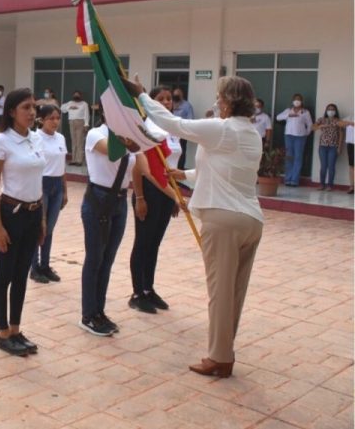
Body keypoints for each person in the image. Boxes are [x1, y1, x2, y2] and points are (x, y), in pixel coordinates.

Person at [126, 74, 263, 378]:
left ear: (228, 101)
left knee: (220, 290)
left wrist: (142, 96)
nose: (217, 101)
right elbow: (221, 169)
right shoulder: (250, 133)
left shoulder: (223, 129)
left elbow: (176, 125)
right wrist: (183, 174)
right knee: (234, 291)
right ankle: (225, 351)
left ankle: (219, 357)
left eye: (220, 96)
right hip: (250, 219)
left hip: (223, 219)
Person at [0, 88, 46, 357]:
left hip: (33, 213)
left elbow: (39, 181)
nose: (32, 112)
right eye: (26, 107)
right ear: (12, 111)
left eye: (33, 107)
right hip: (11, 214)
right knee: (5, 275)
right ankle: (2, 333)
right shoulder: (1, 141)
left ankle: (16, 328)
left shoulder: (36, 139)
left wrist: (42, 218)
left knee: (22, 274)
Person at [79, 122, 144, 337]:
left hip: (120, 201)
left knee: (107, 259)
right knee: (95, 258)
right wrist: (134, 141)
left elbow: (140, 165)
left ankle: (99, 310)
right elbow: (113, 151)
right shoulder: (95, 135)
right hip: (99, 199)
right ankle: (88, 314)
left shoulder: (130, 138)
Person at [128, 86, 182, 314]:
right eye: (160, 99)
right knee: (143, 242)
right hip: (149, 191)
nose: (166, 102)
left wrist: (176, 196)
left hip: (167, 191)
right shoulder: (145, 129)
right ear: (149, 102)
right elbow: (138, 169)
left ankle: (149, 288)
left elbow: (174, 166)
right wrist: (140, 197)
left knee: (154, 243)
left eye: (169, 99)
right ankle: (137, 292)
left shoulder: (174, 127)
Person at [29, 104, 68, 284]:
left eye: (57, 118)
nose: (55, 122)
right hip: (41, 184)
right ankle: (34, 267)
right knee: (39, 227)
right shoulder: (36, 138)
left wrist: (65, 190)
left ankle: (45, 265)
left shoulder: (60, 138)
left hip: (57, 185)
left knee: (50, 228)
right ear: (42, 119)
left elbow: (62, 166)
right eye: (51, 118)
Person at [276, 93, 313, 186]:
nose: (297, 101)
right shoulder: (288, 110)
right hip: (289, 135)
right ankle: (287, 179)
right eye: (295, 99)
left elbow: (310, 124)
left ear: (301, 101)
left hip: (300, 137)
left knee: (298, 157)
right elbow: (278, 117)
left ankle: (294, 180)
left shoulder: (305, 112)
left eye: (299, 99)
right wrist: (288, 115)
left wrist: (306, 133)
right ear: (292, 101)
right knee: (289, 157)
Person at [312, 103, 343, 191]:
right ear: (326, 110)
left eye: (332, 109)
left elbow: (341, 134)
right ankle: (322, 184)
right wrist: (320, 126)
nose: (330, 111)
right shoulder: (321, 120)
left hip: (333, 146)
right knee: (323, 166)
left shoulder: (338, 121)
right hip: (323, 146)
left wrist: (339, 147)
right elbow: (312, 127)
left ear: (335, 111)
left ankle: (330, 185)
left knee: (331, 166)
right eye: (329, 109)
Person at [61, 90, 90, 165]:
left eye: (78, 95)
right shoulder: (70, 103)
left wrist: (86, 124)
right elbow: (62, 109)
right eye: (75, 95)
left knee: (79, 141)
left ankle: (79, 160)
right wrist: (69, 107)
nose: (76, 96)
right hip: (71, 122)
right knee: (73, 141)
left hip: (80, 122)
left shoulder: (84, 104)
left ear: (80, 96)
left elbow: (86, 114)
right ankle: (73, 160)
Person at [172, 87, 194, 168]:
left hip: (181, 133)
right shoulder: (171, 103)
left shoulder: (187, 106)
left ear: (182, 95)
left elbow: (190, 119)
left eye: (178, 95)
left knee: (181, 152)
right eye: (174, 95)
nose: (176, 97)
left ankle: (180, 169)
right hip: (171, 133)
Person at [339, 117, 355, 194]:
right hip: (351, 144)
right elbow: (340, 123)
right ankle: (352, 186)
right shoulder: (350, 117)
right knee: (352, 165)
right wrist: (350, 123)